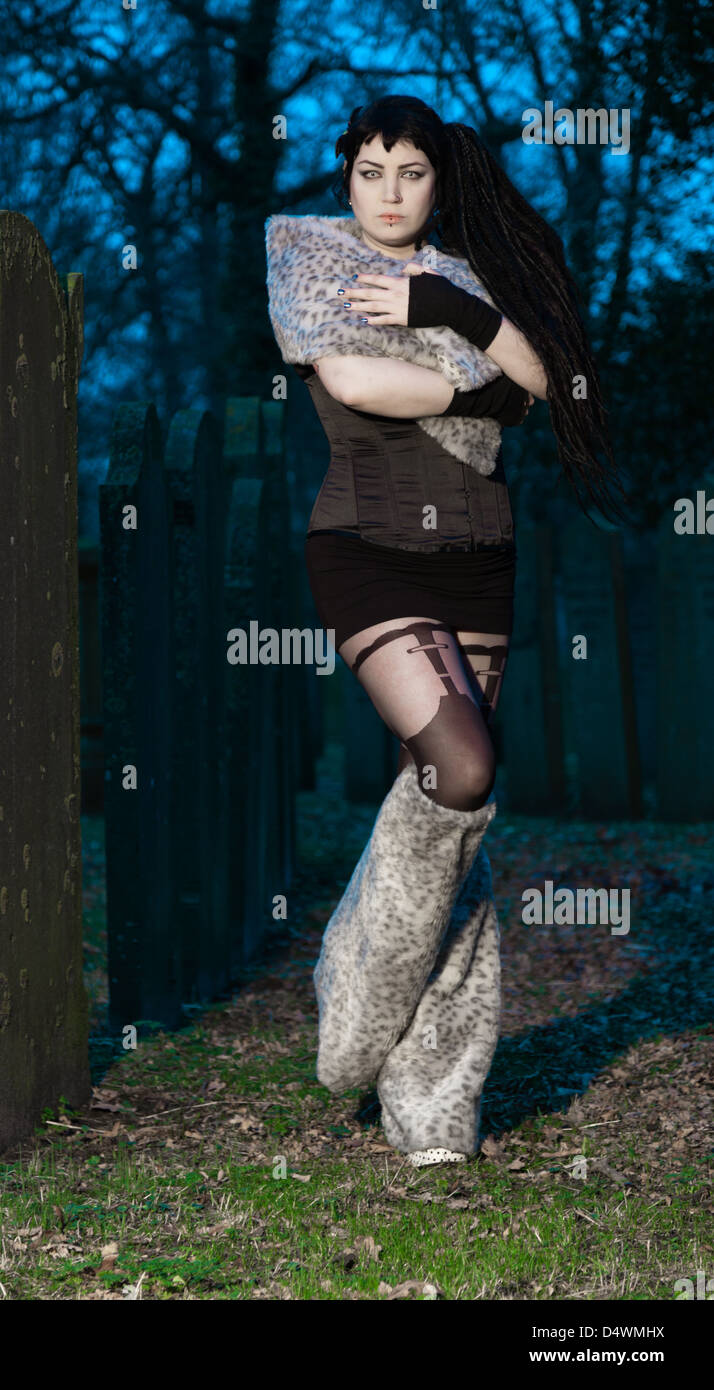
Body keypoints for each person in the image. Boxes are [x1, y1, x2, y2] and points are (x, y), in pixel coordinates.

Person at [267, 95, 629, 1167]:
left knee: (451, 839)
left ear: (439, 180)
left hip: (478, 559)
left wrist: (451, 308)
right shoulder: (307, 253)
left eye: (409, 173)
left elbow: (552, 380)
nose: (387, 193)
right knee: (462, 771)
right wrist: (482, 375)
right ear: (342, 176)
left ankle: (430, 1104)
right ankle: (353, 974)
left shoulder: (469, 272)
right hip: (367, 549)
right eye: (369, 170)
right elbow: (352, 376)